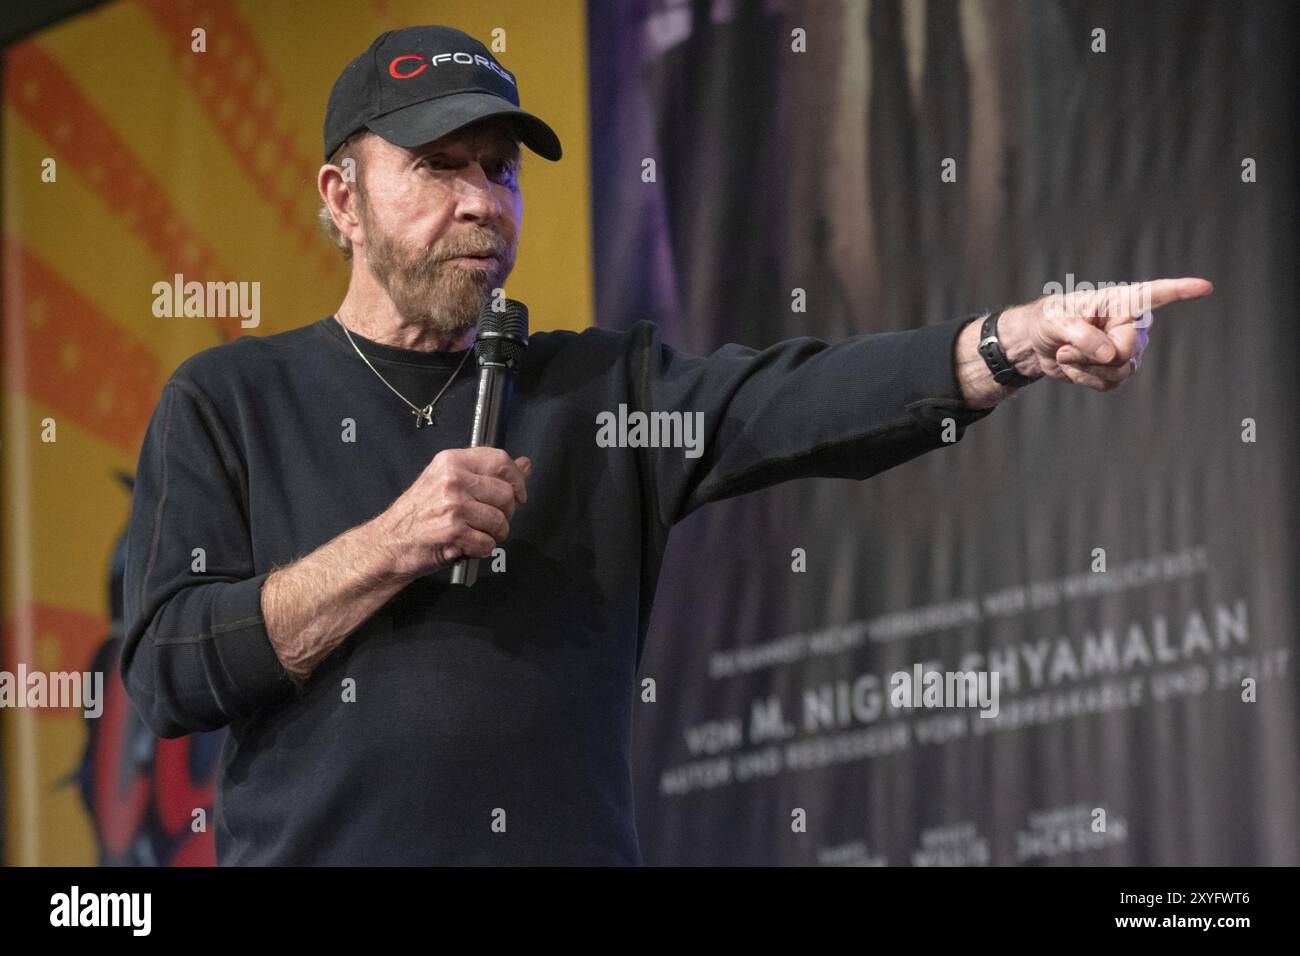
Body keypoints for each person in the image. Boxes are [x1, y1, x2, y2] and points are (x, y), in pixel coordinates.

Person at [120, 25, 1212, 865]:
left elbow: (800, 401)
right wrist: (387, 545)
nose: (480, 201)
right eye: (439, 166)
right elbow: (169, 667)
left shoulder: (598, 390)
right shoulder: (229, 399)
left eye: (498, 169)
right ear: (341, 197)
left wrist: (1012, 340)